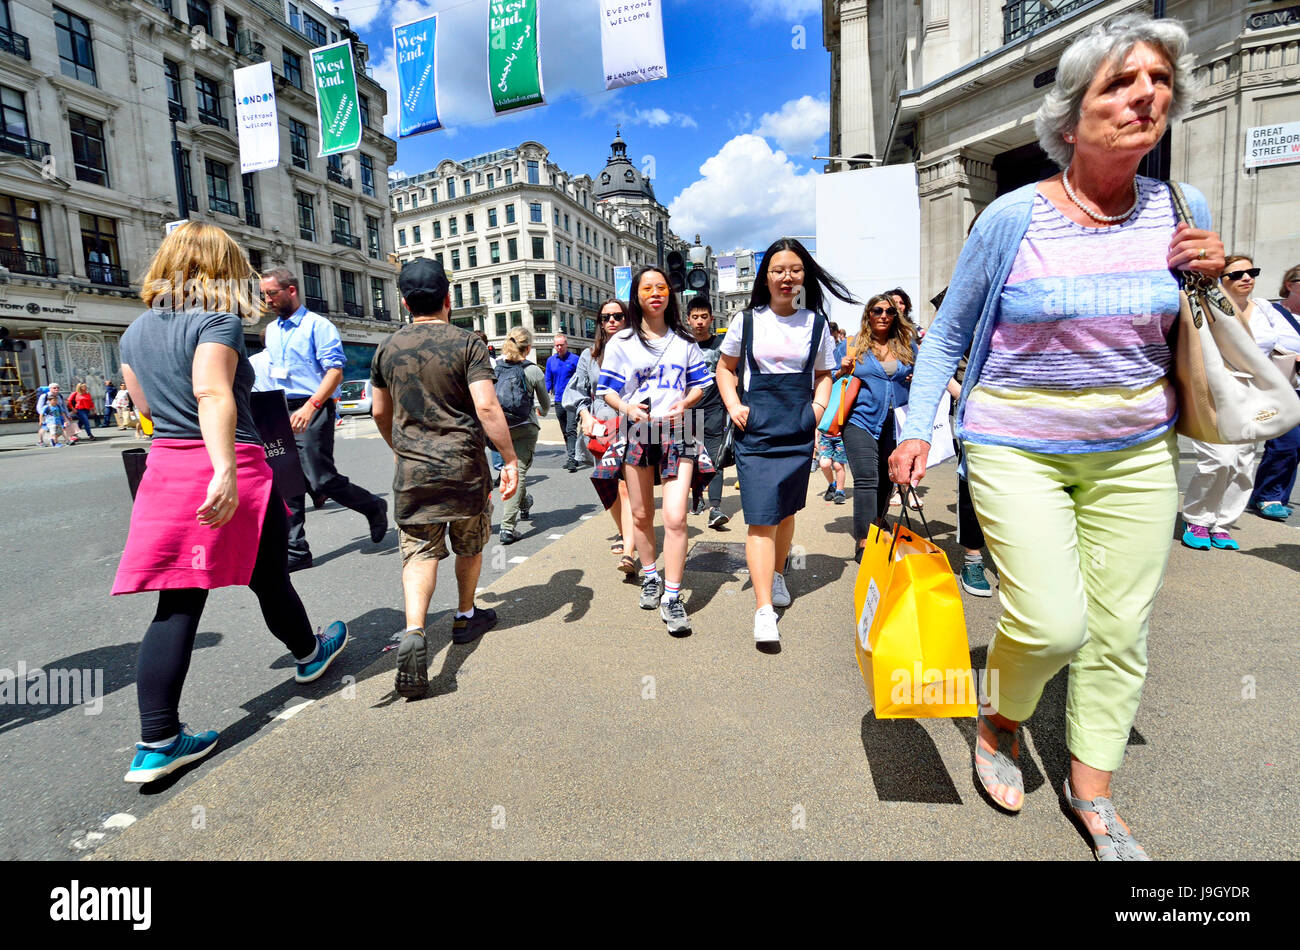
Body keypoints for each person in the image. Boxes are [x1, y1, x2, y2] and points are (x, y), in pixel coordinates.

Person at [889, 13, 1225, 859]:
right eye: (1120, 82)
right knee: (1049, 624)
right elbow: (949, 331)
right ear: (1070, 119)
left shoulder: (1185, 208)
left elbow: (1206, 332)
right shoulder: (1010, 217)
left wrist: (1216, 283)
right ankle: (1000, 716)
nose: (1146, 93)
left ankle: (1094, 791)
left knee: (1120, 630)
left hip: (1138, 447)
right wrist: (919, 429)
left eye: (1157, 80)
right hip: (1016, 443)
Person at [113, 221, 348, 784]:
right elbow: (211, 391)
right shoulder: (215, 322)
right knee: (269, 575)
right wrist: (222, 469)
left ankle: (158, 739)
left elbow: (143, 405)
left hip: (167, 464)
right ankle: (309, 653)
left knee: (178, 603)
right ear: (221, 268)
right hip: (227, 465)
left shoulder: (134, 333)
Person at [370, 258, 520, 698]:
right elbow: (487, 408)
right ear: (448, 299)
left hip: (413, 471)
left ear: (403, 301)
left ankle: (415, 629)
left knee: (419, 552)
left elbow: (381, 412)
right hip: (465, 468)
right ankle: (465, 614)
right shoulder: (468, 343)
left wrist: (400, 447)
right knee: (469, 544)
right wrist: (509, 459)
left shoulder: (386, 348)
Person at [716, 238, 854, 646]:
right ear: (766, 276)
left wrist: (817, 409)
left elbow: (825, 374)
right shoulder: (746, 321)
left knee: (787, 509)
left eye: (794, 269)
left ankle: (777, 575)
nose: (786, 277)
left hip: (796, 425)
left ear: (803, 276)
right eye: (778, 270)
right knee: (761, 517)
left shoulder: (815, 324)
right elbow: (725, 370)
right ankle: (764, 609)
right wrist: (734, 405)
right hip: (755, 427)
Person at [596, 266, 713, 636]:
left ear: (669, 295)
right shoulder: (622, 342)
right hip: (636, 429)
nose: (655, 293)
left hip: (681, 429)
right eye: (647, 288)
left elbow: (700, 385)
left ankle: (673, 597)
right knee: (643, 513)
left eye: (661, 287)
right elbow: (608, 391)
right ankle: (650, 574)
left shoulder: (683, 340)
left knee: (676, 517)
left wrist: (687, 402)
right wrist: (626, 408)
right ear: (637, 296)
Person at [260, 267, 388, 572]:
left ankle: (373, 505)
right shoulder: (272, 331)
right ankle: (296, 549)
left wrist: (311, 407)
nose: (267, 300)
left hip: (313, 406)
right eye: (263, 294)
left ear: (291, 290)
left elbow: (335, 373)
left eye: (272, 293)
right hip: (279, 408)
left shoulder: (319, 326)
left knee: (321, 480)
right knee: (285, 480)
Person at [1179, 254, 1282, 550]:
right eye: (1237, 274)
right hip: (1214, 391)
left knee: (1243, 463)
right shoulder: (1204, 307)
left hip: (1254, 393)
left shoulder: (1265, 310)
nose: (1247, 278)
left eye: (1252, 272)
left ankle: (1222, 521)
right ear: (1220, 280)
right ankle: (1198, 518)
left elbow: (1282, 342)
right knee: (1219, 459)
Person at [838, 295, 918, 559]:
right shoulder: (851, 346)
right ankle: (863, 541)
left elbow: (921, 379)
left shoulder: (908, 346)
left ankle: (878, 523)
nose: (883, 315)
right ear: (868, 315)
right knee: (866, 478)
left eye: (889, 311)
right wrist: (842, 371)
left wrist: (914, 376)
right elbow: (827, 379)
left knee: (887, 480)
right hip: (860, 420)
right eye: (877, 310)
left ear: (896, 316)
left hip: (896, 424)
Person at [563, 298, 636, 570]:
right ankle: (623, 529)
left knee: (625, 488)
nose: (612, 321)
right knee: (608, 486)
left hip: (630, 426)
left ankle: (629, 548)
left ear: (627, 319)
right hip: (600, 427)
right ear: (600, 324)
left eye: (617, 316)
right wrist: (584, 415)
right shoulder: (589, 355)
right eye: (606, 318)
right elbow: (576, 391)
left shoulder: (637, 351)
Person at [1249, 264, 1300, 519]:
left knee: (1297, 447)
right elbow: (1261, 341)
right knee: (1286, 444)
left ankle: (1272, 496)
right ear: (1290, 284)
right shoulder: (1270, 310)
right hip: (1282, 388)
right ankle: (1269, 496)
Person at [496, 326, 551, 544]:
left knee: (511, 469)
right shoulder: (533, 371)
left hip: (501, 429)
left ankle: (525, 501)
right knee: (517, 470)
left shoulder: (495, 369)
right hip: (525, 426)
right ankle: (508, 527)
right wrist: (543, 411)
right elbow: (545, 405)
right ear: (528, 348)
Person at [686, 295, 731, 528]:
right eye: (695, 317)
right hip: (687, 411)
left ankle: (715, 508)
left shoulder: (722, 345)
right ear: (688, 320)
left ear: (712, 318)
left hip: (715, 410)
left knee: (715, 460)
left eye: (704, 317)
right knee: (691, 459)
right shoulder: (681, 345)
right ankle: (698, 499)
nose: (700, 322)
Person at [545, 333, 583, 471]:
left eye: (561, 345)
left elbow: (582, 378)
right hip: (559, 400)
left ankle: (573, 459)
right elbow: (548, 379)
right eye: (557, 345)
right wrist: (544, 396)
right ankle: (572, 455)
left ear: (567, 344)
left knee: (571, 429)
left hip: (572, 400)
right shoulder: (550, 360)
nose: (559, 347)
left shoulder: (575, 359)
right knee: (565, 431)